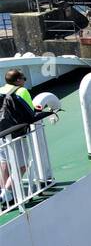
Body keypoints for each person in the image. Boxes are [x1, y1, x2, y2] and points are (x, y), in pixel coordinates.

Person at [0, 68, 52, 203]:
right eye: (23, 78)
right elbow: (31, 113)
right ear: (17, 80)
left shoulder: (1, 90)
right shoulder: (21, 91)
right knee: (22, 166)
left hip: (1, 134)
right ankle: (6, 193)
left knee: (4, 163)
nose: (24, 80)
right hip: (15, 133)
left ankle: (8, 196)